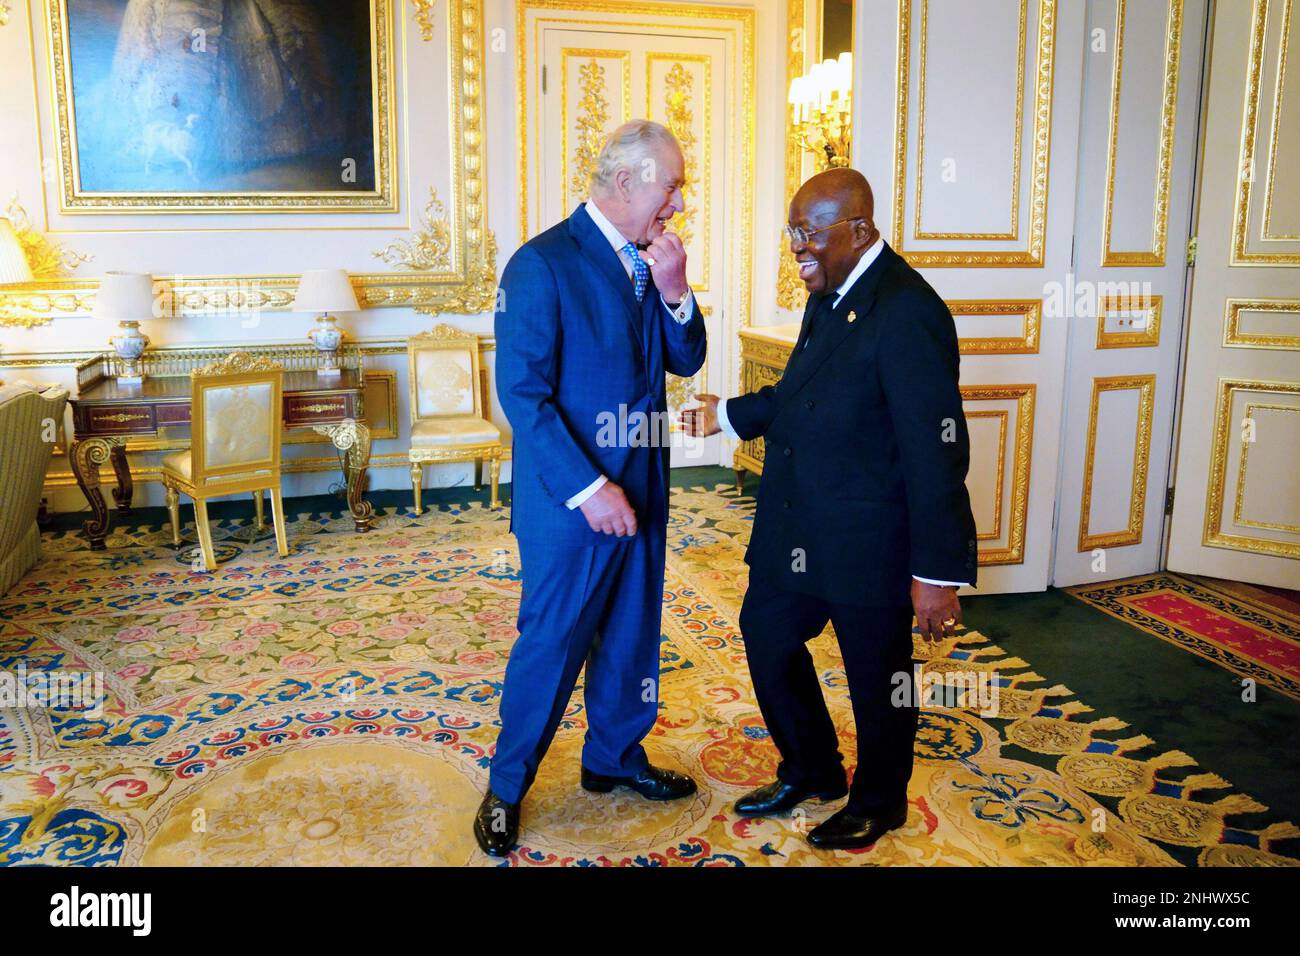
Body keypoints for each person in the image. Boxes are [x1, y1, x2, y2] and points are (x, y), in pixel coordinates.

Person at [681, 167, 977, 850]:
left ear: (860, 229)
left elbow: (937, 452)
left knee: (879, 678)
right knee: (767, 632)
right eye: (793, 231)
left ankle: (881, 802)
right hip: (801, 524)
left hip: (871, 536)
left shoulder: (910, 312)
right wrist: (726, 415)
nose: (796, 246)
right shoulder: (830, 288)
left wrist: (936, 572)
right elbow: (803, 393)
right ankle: (813, 768)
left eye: (808, 232)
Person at [476, 120, 708, 857]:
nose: (677, 202)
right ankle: (505, 788)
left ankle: (613, 757)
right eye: (671, 186)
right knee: (555, 639)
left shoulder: (649, 261)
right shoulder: (541, 265)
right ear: (629, 181)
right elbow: (522, 393)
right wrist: (588, 488)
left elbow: (684, 358)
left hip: (646, 487)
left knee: (633, 634)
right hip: (573, 502)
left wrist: (676, 293)